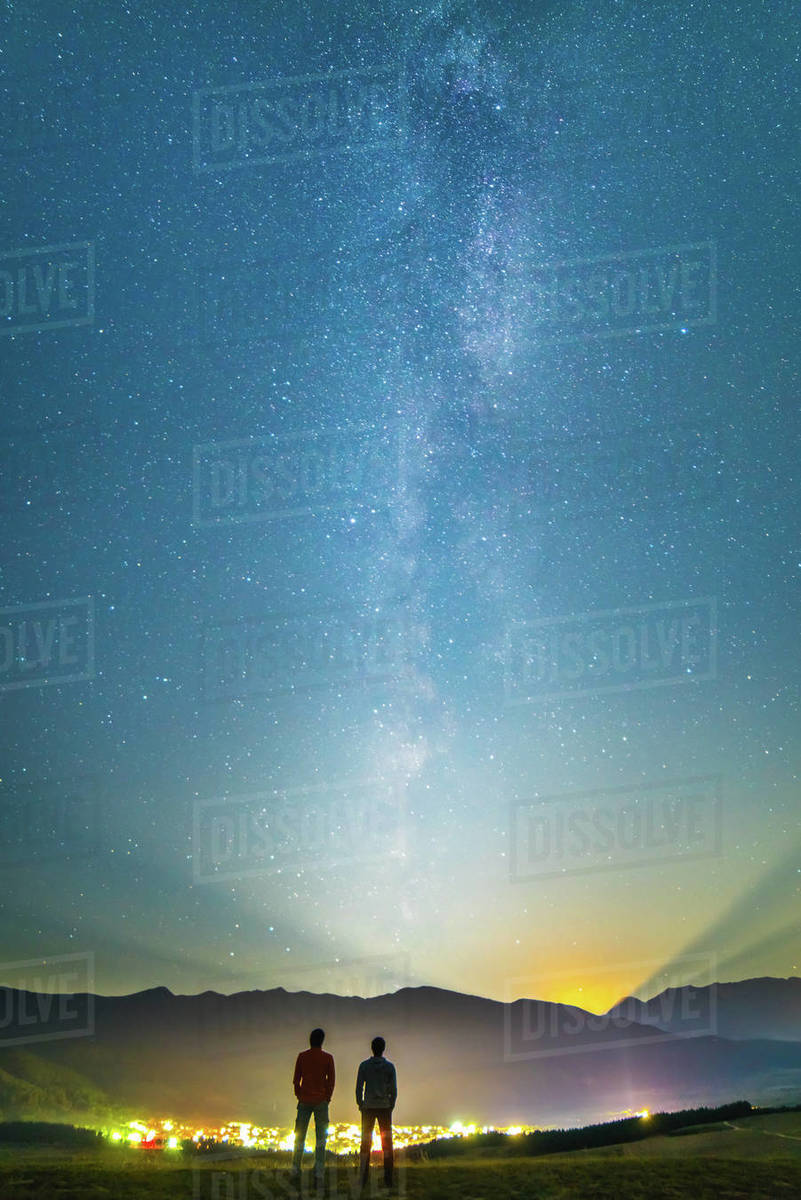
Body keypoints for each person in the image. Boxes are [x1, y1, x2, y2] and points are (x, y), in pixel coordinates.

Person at [290, 1027, 335, 1188]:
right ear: (322, 1041)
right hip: (321, 1101)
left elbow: (296, 1080)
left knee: (299, 1135)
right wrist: (327, 1098)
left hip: (304, 1101)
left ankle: (295, 1168)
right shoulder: (328, 1058)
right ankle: (319, 1171)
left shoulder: (302, 1057)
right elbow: (331, 1081)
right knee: (321, 1138)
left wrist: (299, 1095)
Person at [356, 1035, 397, 1189]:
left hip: (368, 1108)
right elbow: (393, 1090)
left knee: (365, 1143)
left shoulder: (364, 1066)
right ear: (383, 1049)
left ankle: (363, 1178)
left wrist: (361, 1104)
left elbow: (359, 1087)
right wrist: (390, 1104)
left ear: (372, 1049)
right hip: (384, 1107)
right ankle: (388, 1179)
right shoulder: (389, 1067)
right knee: (387, 1143)